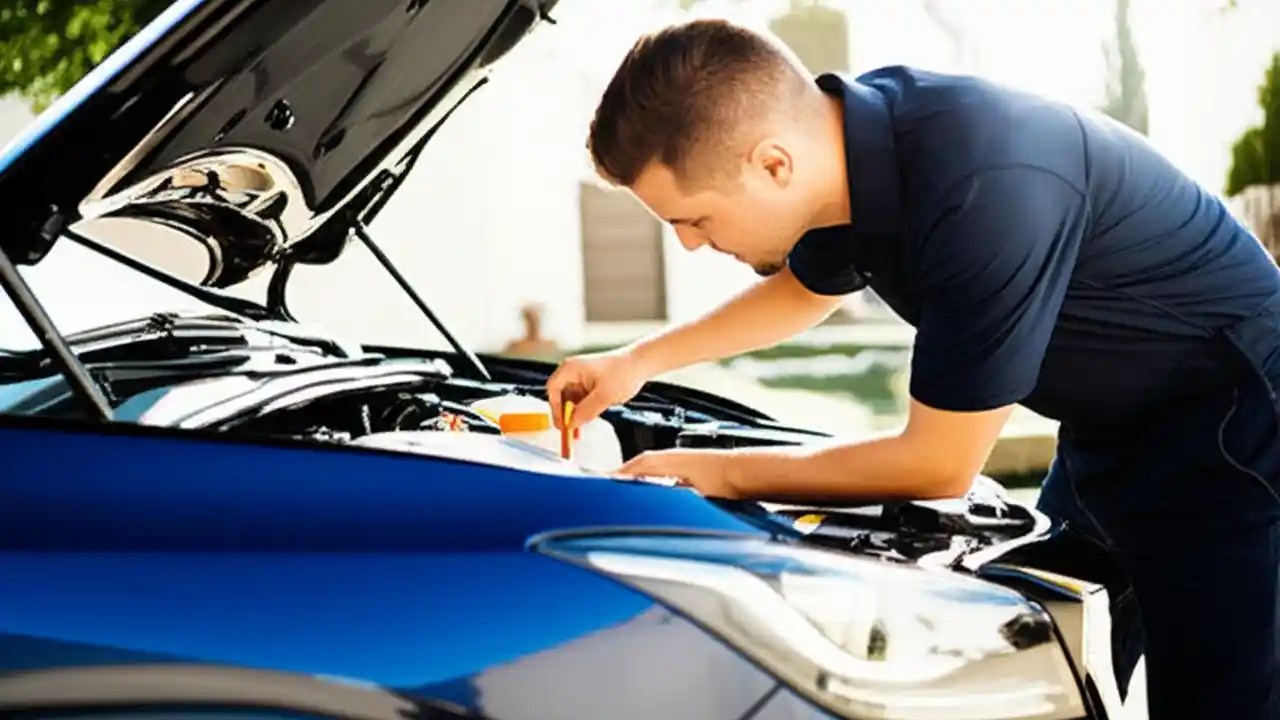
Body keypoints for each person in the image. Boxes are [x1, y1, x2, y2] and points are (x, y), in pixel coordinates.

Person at [544, 18, 1280, 720]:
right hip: (1110, 430)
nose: (691, 247)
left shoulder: (981, 185)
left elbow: (937, 464)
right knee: (1037, 662)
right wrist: (635, 361)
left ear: (773, 164)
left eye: (694, 219)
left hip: (1236, 429)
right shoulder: (855, 152)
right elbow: (805, 291)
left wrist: (719, 469)